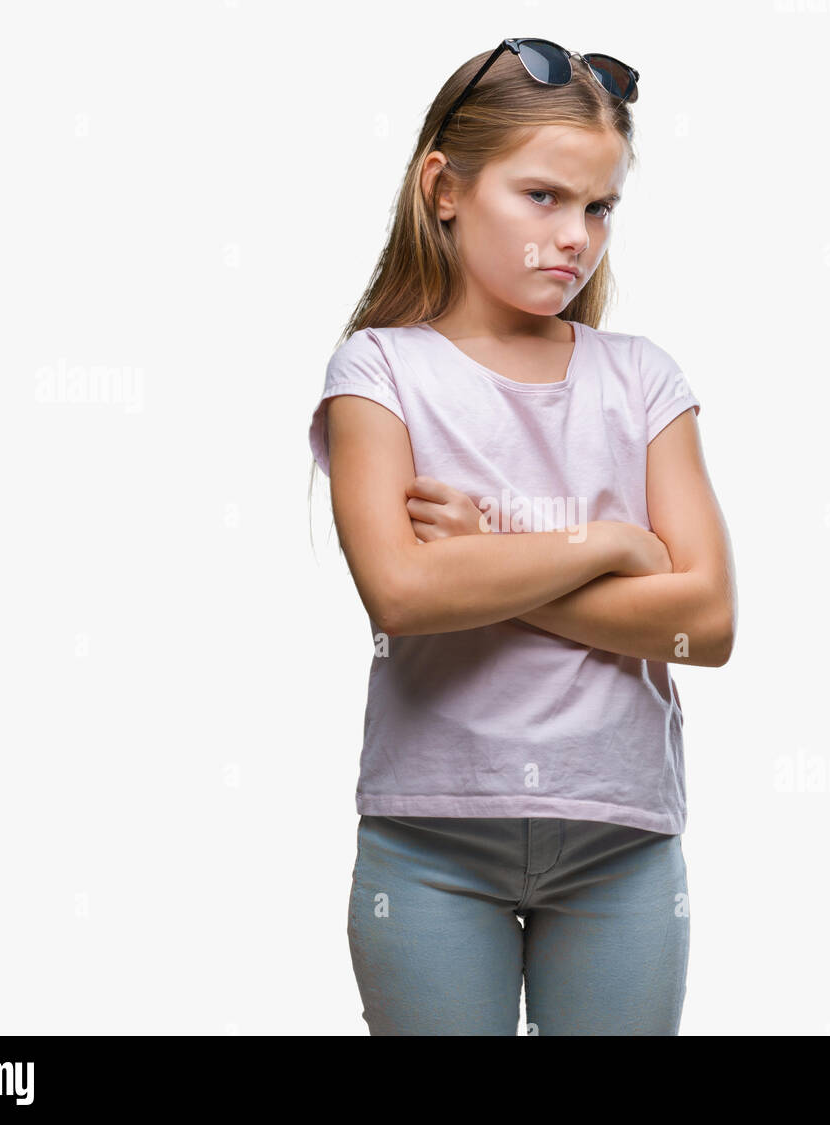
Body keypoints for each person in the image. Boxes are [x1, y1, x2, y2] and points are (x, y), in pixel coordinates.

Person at [307, 39, 736, 1035]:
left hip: (620, 842)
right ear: (443, 188)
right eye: (541, 197)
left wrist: (486, 552)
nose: (575, 235)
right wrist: (616, 545)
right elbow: (404, 595)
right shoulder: (377, 372)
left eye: (597, 207)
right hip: (429, 845)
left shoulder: (641, 378)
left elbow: (705, 625)